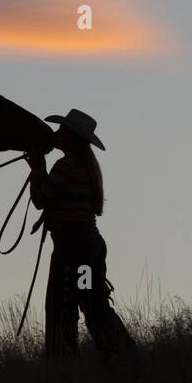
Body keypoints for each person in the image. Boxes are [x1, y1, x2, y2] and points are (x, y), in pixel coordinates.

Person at [25, 109, 136, 360]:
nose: (56, 134)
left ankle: (63, 367)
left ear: (70, 137)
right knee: (94, 304)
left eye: (61, 131)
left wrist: (37, 170)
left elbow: (41, 199)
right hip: (88, 245)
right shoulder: (84, 167)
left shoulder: (65, 167)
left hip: (71, 248)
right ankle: (124, 359)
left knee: (61, 306)